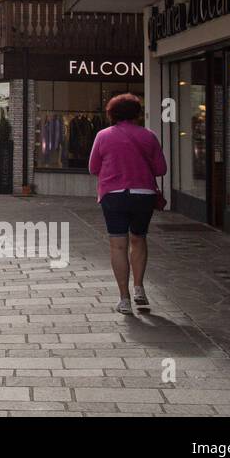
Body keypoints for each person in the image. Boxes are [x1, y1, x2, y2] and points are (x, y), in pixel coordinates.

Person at [88, 93, 167, 315]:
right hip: (143, 194)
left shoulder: (103, 136)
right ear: (137, 113)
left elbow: (93, 168)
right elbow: (161, 169)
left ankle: (124, 299)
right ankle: (139, 287)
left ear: (112, 114)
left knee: (118, 244)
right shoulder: (149, 136)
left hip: (114, 195)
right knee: (139, 238)